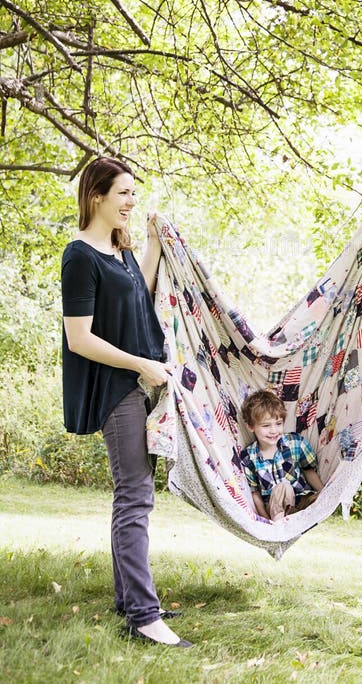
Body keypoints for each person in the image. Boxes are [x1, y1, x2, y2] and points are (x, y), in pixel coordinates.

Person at [61, 157, 191, 648]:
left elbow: (141, 292)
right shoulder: (79, 257)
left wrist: (155, 244)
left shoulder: (120, 252)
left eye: (134, 193)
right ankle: (143, 615)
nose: (132, 202)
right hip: (115, 389)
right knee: (134, 497)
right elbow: (80, 339)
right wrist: (139, 364)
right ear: (96, 195)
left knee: (137, 495)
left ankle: (129, 600)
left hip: (142, 384)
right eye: (123, 193)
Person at [240, 391, 324, 521]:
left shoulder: (295, 443)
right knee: (283, 487)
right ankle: (279, 523)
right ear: (251, 426)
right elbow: (255, 494)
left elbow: (309, 471)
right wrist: (266, 519)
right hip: (274, 507)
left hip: (300, 501)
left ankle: (293, 516)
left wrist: (324, 493)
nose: (274, 430)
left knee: (318, 498)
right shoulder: (248, 457)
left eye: (278, 423)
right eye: (266, 425)